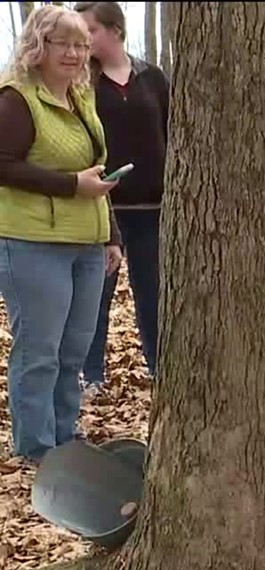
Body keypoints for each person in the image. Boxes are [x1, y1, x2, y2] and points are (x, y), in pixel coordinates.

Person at [0, 5, 122, 464]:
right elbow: (3, 164)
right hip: (32, 243)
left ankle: (65, 439)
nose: (73, 54)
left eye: (80, 45)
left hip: (86, 243)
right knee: (40, 350)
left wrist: (110, 235)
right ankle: (37, 449)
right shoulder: (16, 98)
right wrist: (74, 186)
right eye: (63, 44)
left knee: (73, 350)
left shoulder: (81, 99)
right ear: (39, 47)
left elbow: (98, 172)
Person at [76, 1, 169, 391]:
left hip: (153, 207)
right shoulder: (83, 82)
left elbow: (174, 129)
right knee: (96, 296)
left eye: (90, 31)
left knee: (153, 294)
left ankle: (158, 367)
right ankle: (90, 374)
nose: (84, 40)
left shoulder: (153, 77)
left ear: (114, 30)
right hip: (104, 207)